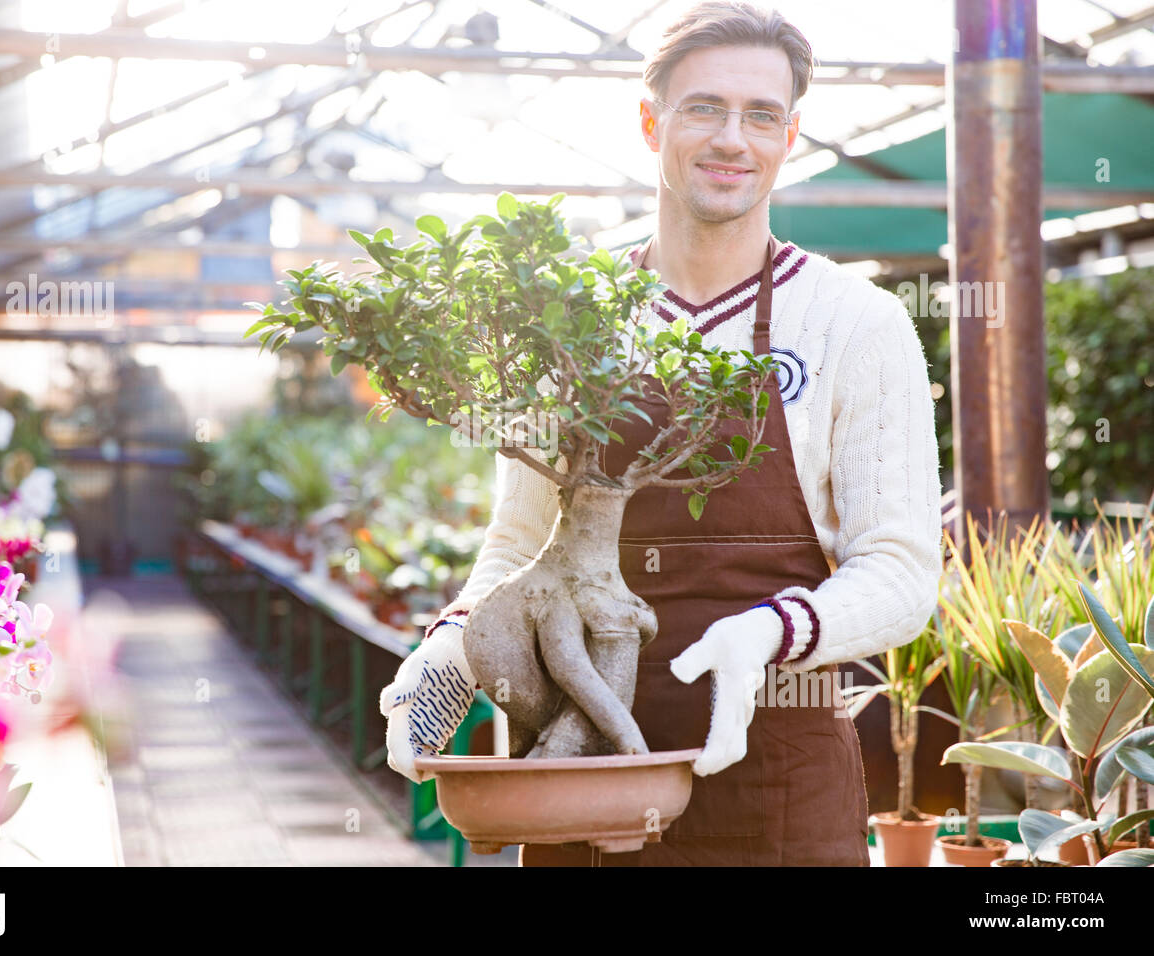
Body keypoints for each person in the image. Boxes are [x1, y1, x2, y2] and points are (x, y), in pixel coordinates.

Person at [379, 0, 942, 866]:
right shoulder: (564, 324)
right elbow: (523, 542)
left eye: (761, 116)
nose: (733, 139)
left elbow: (902, 570)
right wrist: (451, 651)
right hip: (582, 761)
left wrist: (767, 633)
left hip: (777, 776)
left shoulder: (854, 323)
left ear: (790, 136)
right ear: (651, 123)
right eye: (704, 109)